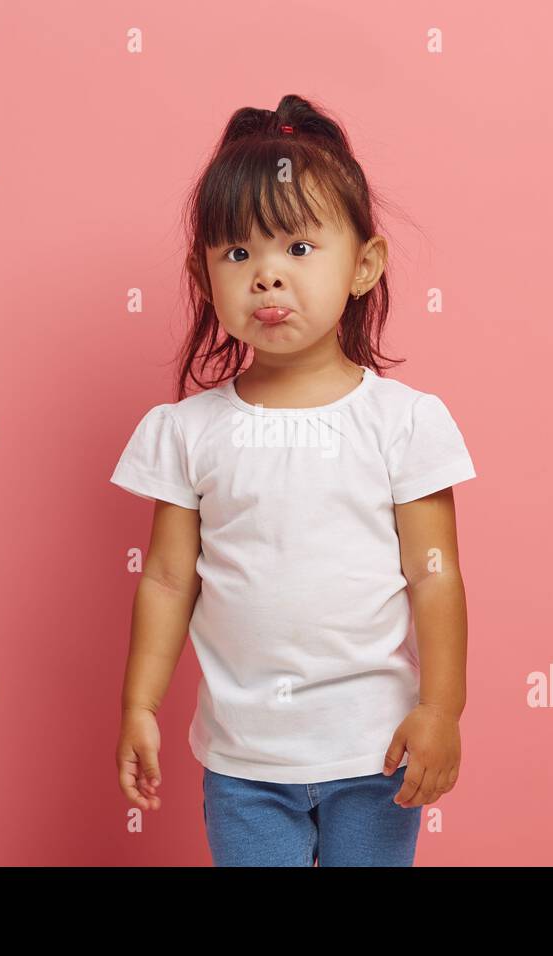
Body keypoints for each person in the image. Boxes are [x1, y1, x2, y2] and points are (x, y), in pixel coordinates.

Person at [110, 94, 476, 866]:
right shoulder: (188, 432)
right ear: (202, 274)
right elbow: (170, 582)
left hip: (375, 754)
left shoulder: (403, 423)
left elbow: (434, 576)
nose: (267, 276)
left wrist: (442, 711)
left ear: (363, 265)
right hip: (246, 767)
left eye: (299, 250)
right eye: (238, 255)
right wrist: (139, 704)